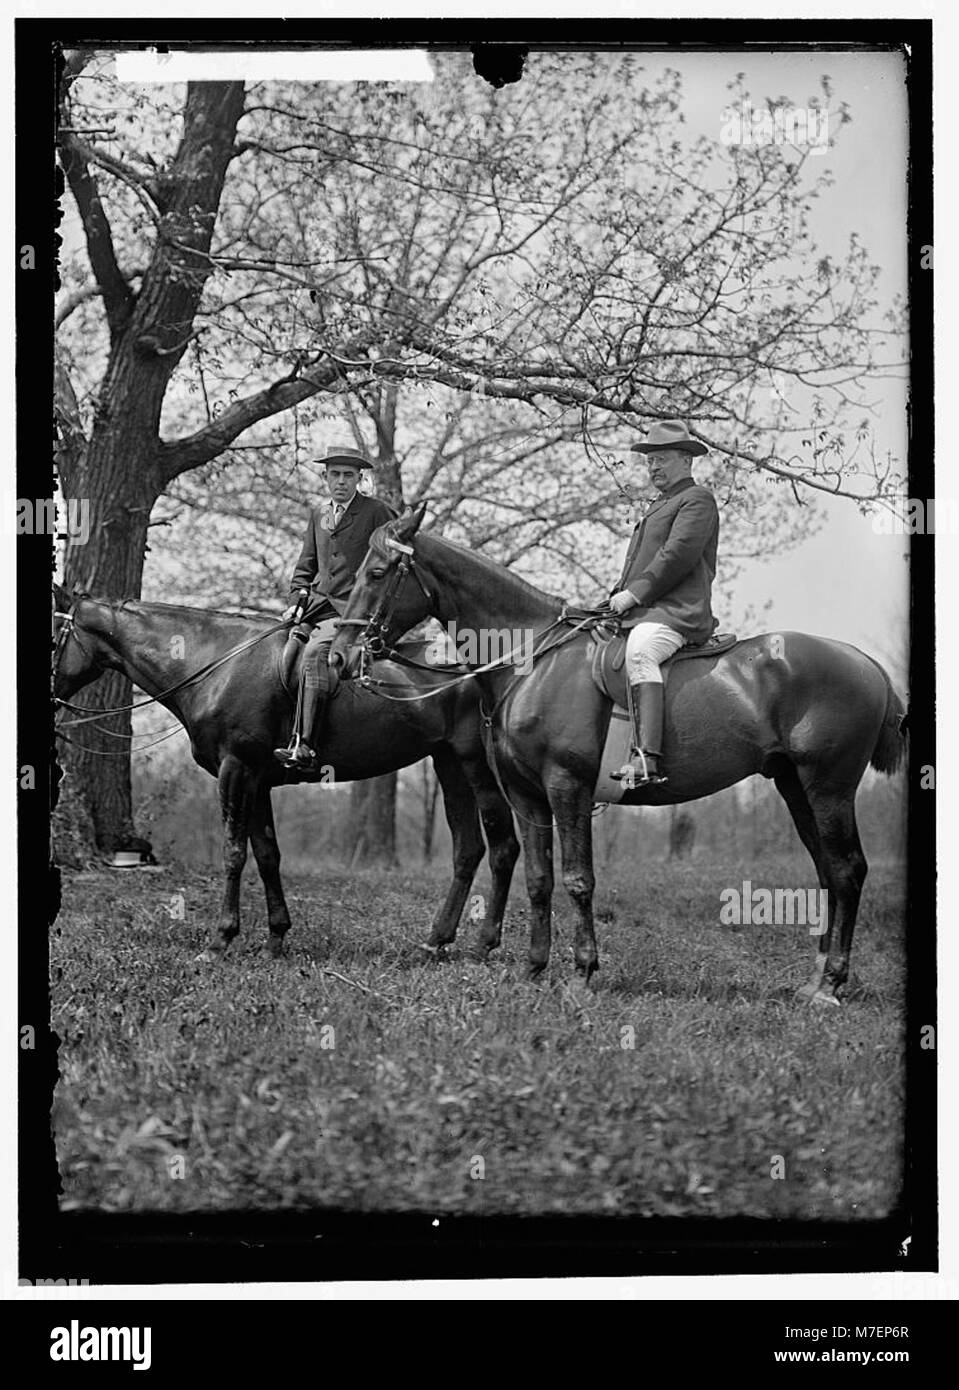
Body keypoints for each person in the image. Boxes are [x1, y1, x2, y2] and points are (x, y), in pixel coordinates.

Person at [608, 419, 720, 786]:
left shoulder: (697, 499)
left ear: (686, 461)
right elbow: (639, 565)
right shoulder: (660, 504)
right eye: (649, 461)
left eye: (661, 459)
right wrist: (615, 596)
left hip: (677, 614)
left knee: (640, 652)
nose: (653, 467)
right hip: (647, 610)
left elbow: (677, 556)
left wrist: (634, 594)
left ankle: (645, 759)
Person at [274, 443, 395, 769]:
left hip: (351, 612)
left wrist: (376, 608)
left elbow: (393, 562)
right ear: (325, 477)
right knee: (275, 649)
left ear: (359, 479)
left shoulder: (376, 512)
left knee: (314, 654)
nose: (341, 481)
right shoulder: (318, 514)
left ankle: (306, 745)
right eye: (335, 475)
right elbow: (305, 566)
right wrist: (297, 598)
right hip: (315, 606)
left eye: (348, 475)